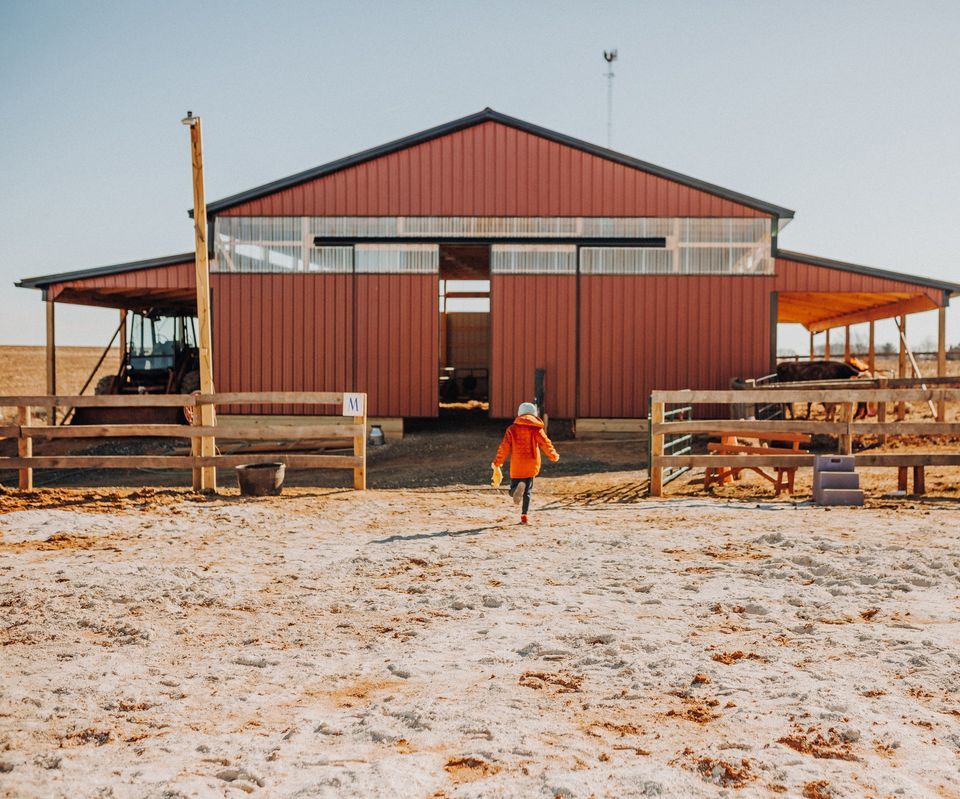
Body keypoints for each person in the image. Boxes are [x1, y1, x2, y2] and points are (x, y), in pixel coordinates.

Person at [491, 402, 559, 524]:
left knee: (512, 490)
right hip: (531, 464)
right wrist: (553, 455)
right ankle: (524, 517)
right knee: (528, 491)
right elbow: (545, 443)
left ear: (519, 413)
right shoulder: (536, 429)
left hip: (517, 464)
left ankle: (516, 489)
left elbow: (504, 447)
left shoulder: (512, 429)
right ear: (534, 414)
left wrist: (497, 462)